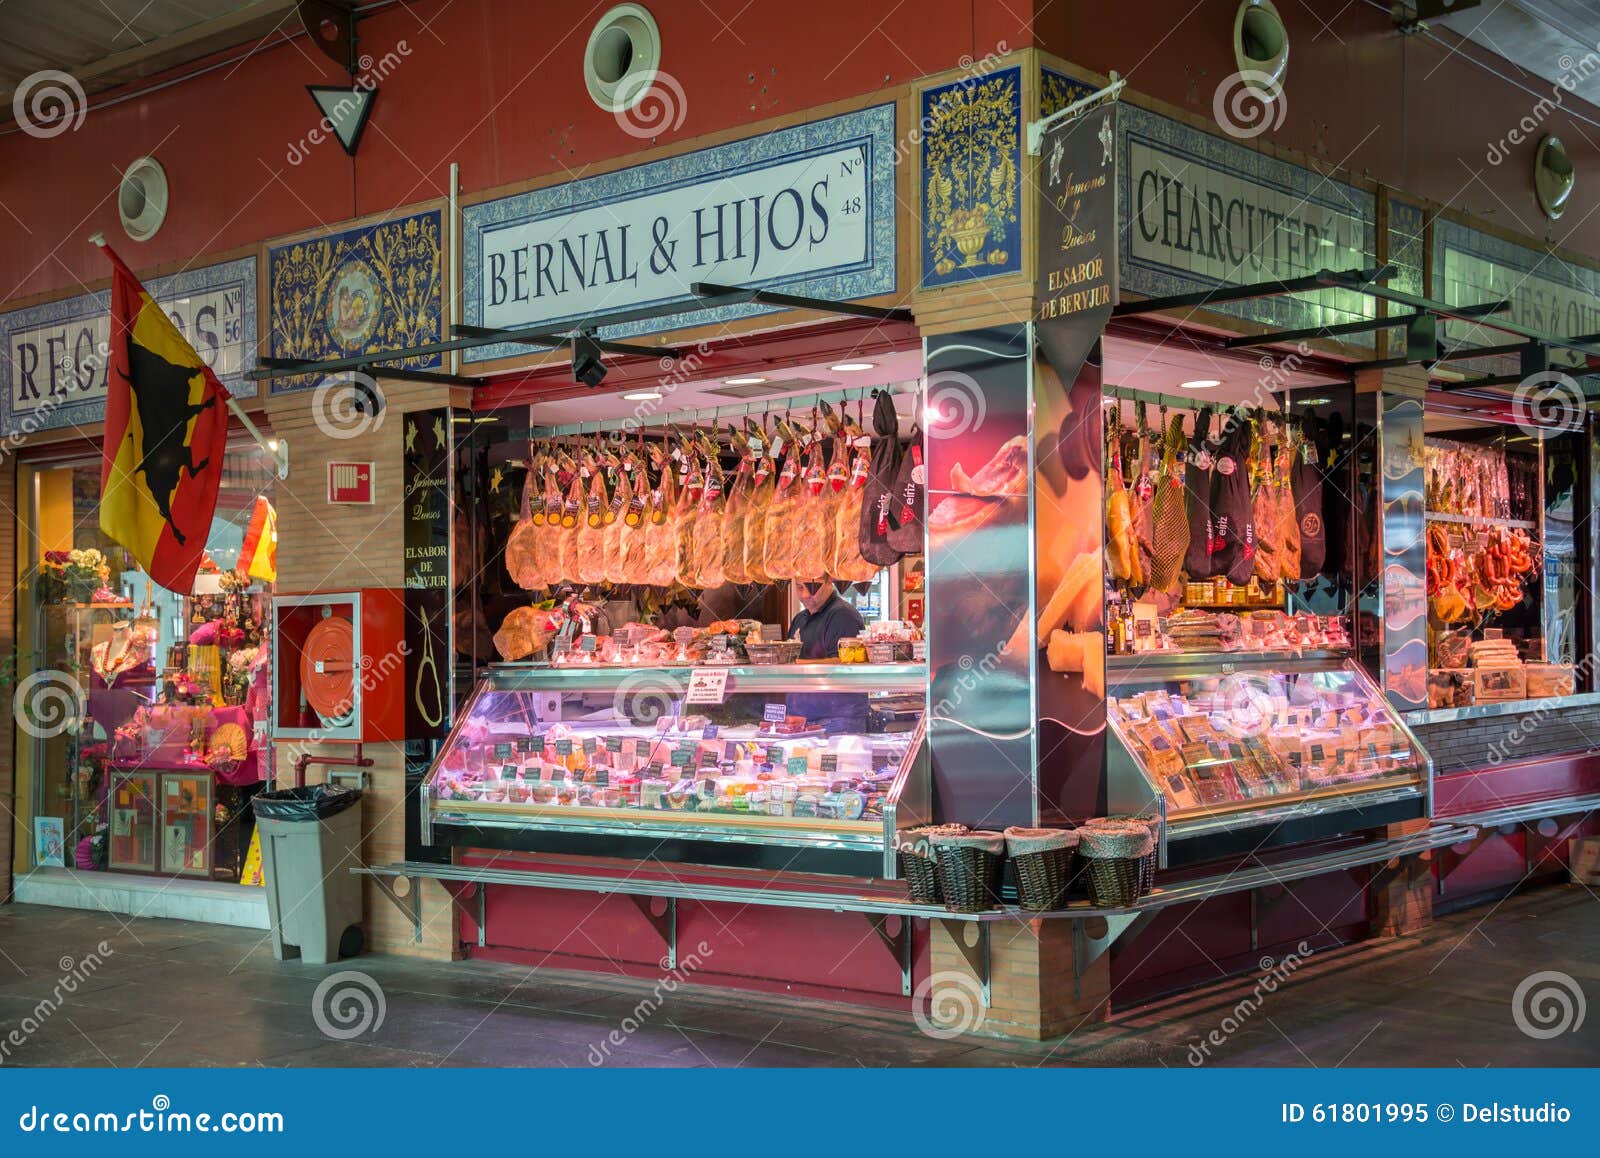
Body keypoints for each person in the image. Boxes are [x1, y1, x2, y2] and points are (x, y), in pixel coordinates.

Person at [786, 579, 868, 733]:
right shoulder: (800, 619)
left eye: (813, 588)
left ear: (829, 582)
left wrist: (794, 665)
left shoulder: (842, 615)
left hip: (838, 720)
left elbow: (844, 666)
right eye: (799, 587)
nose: (805, 595)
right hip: (804, 719)